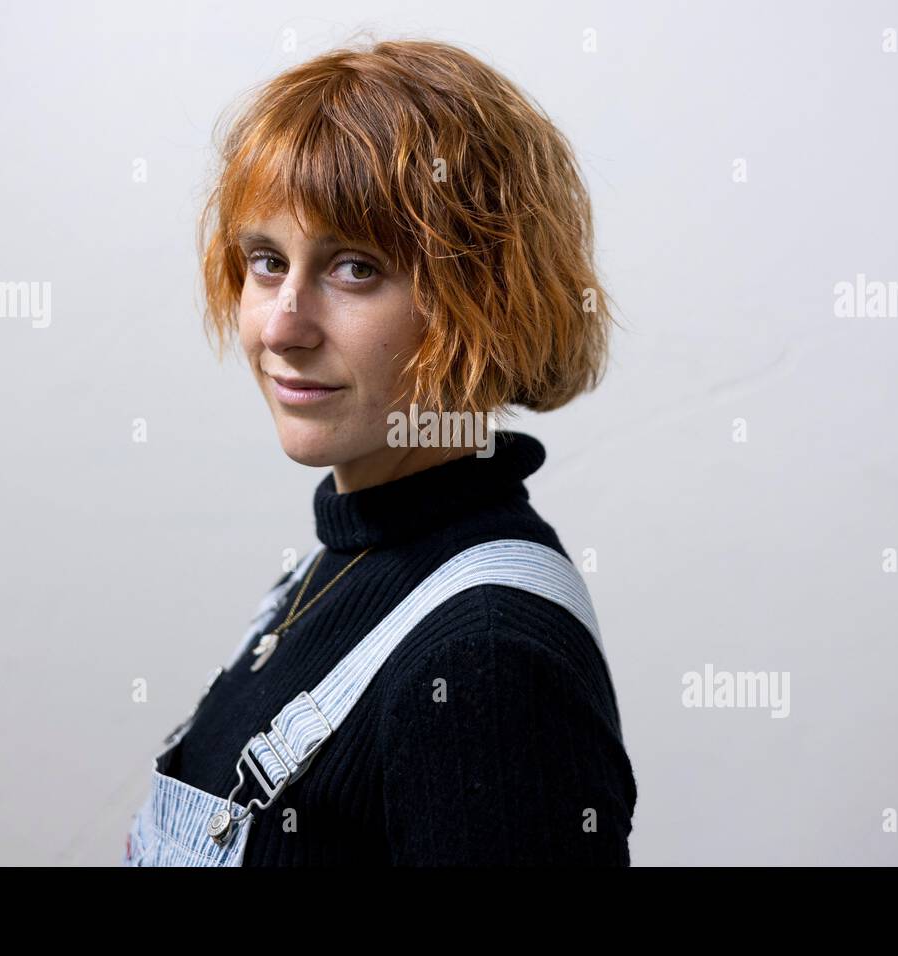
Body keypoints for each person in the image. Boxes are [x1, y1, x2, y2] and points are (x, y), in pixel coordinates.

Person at [123, 37, 636, 866]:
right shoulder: (341, 566)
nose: (282, 326)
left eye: (356, 268)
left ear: (486, 300)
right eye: (266, 261)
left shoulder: (485, 662)